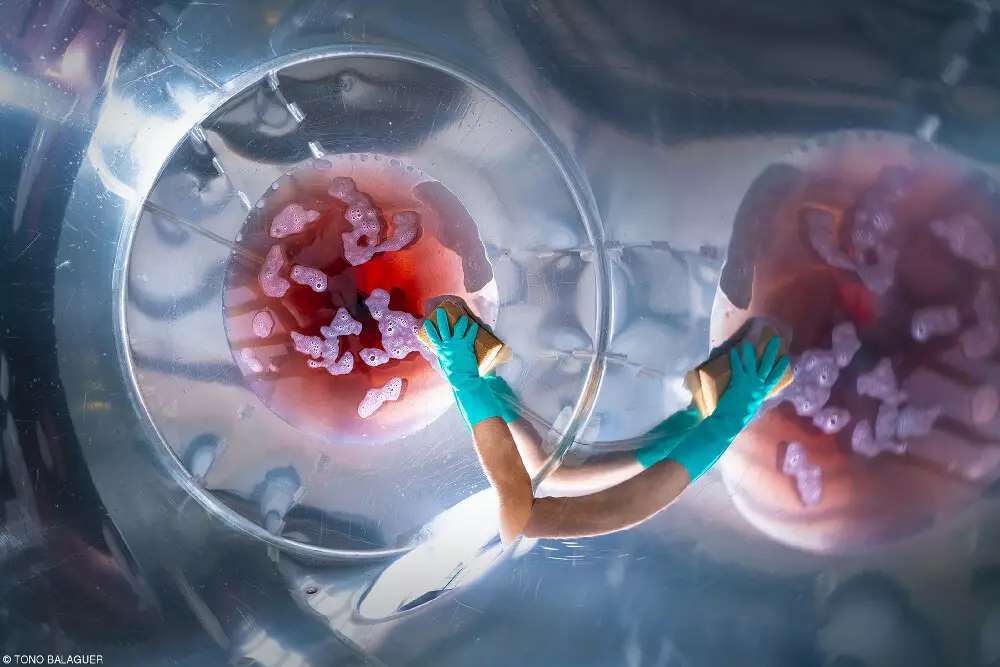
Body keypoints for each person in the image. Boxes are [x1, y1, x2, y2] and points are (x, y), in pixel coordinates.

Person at [422, 308, 791, 544]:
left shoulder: (520, 526)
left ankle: (491, 387)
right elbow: (637, 500)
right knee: (560, 477)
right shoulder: (522, 530)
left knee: (548, 471)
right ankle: (697, 414)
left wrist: (473, 383)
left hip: (551, 508)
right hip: (604, 517)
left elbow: (515, 474)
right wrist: (731, 416)